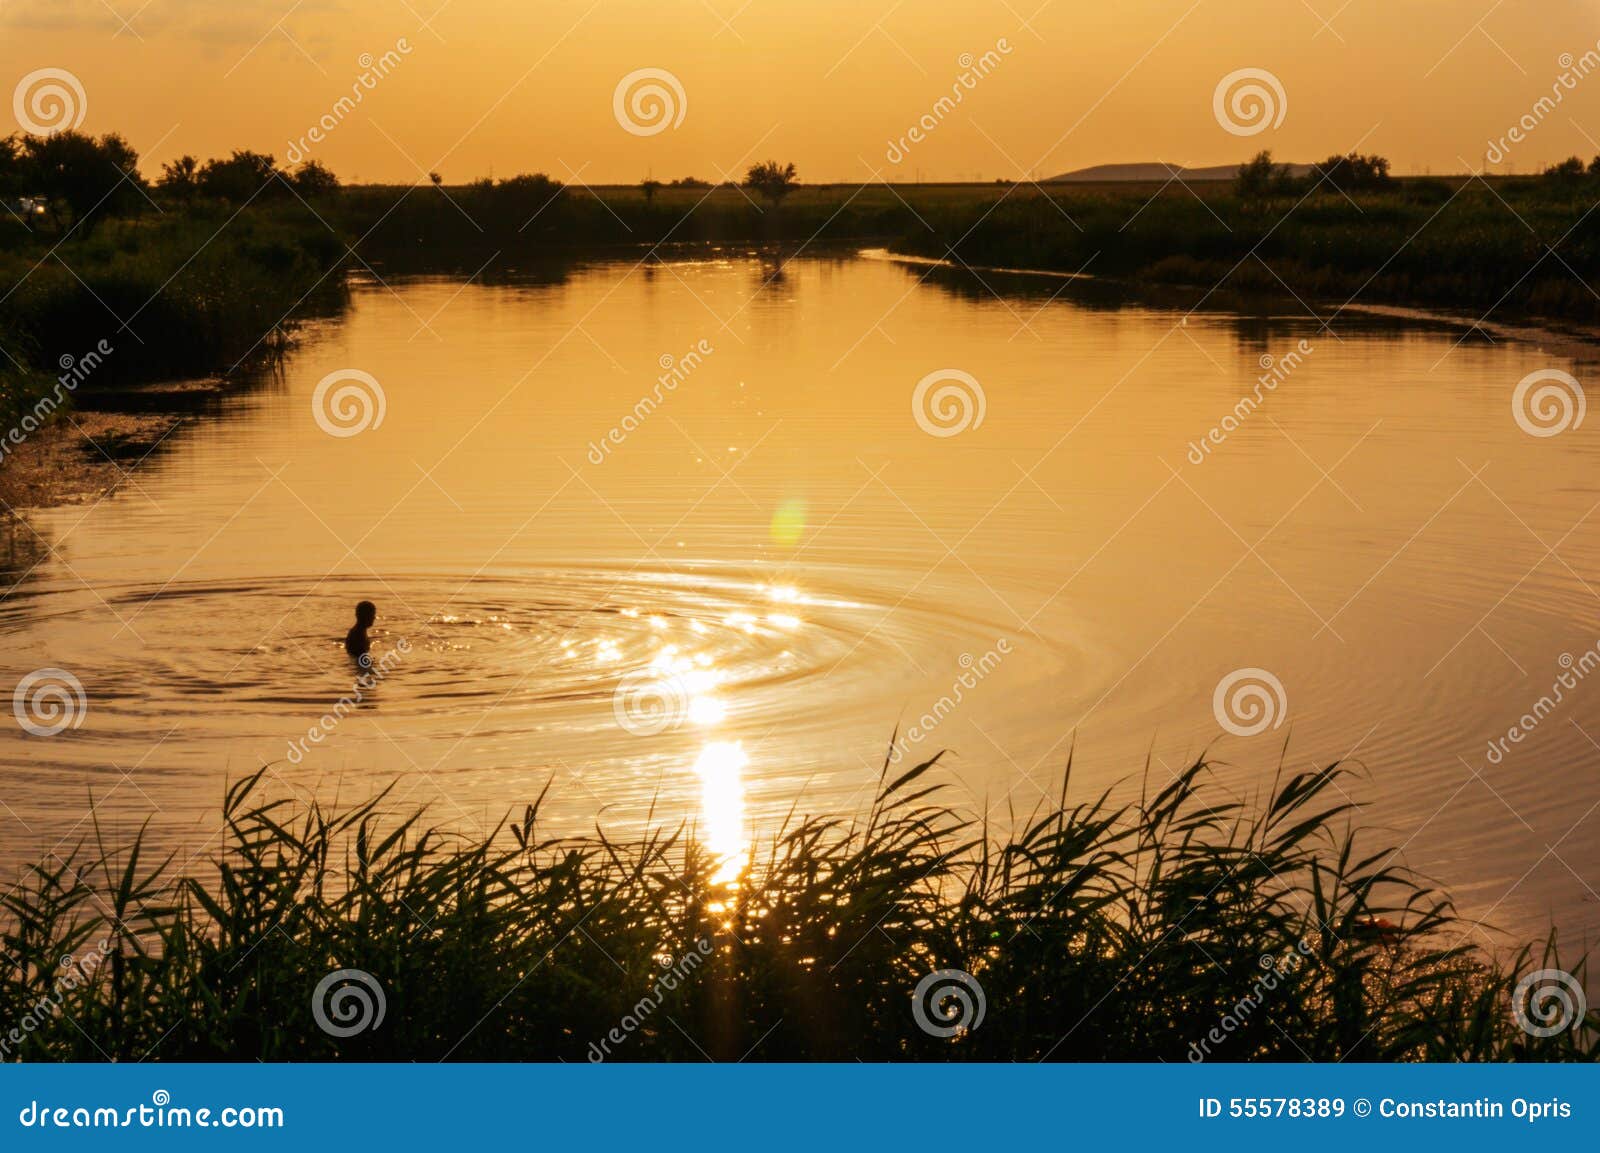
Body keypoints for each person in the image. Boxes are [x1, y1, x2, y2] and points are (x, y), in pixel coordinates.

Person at [345, 600, 376, 666]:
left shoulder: (358, 631)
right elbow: (361, 658)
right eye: (372, 615)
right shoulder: (359, 635)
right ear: (366, 616)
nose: (374, 618)